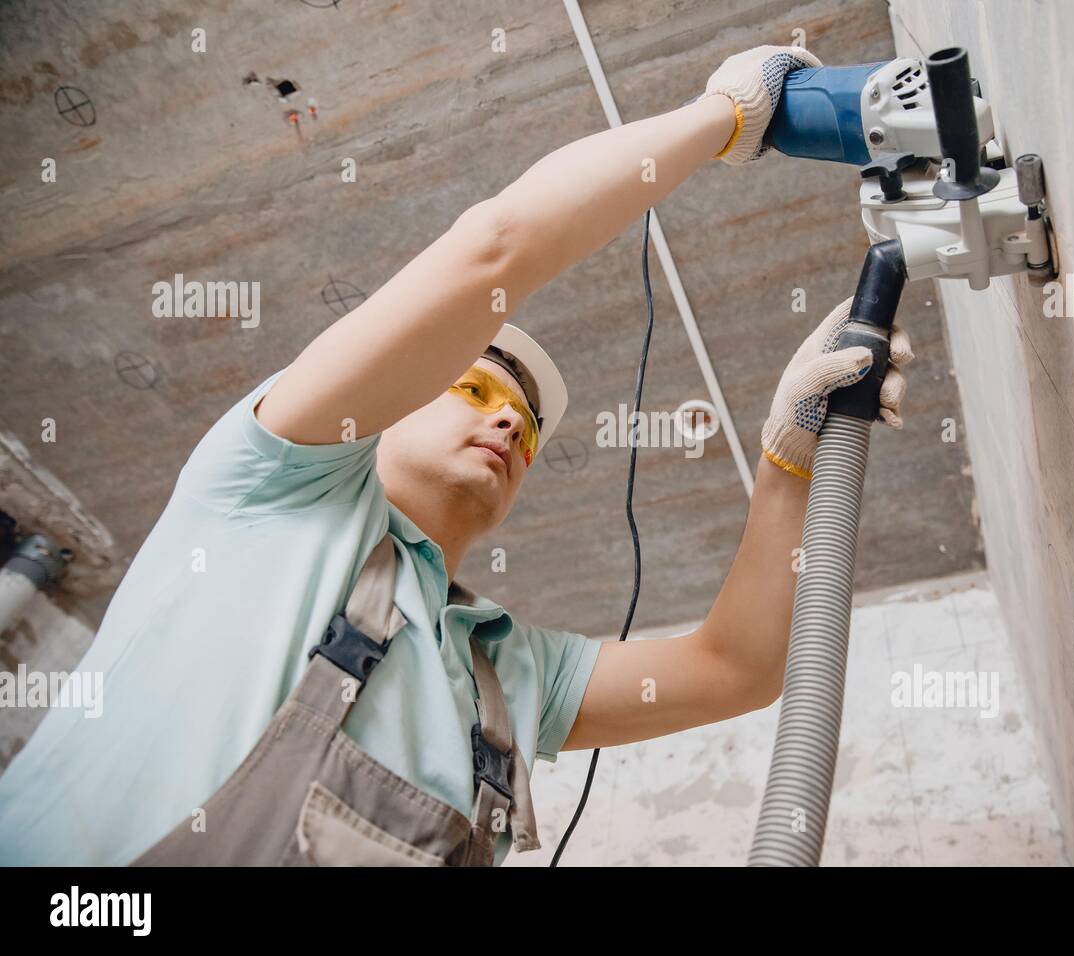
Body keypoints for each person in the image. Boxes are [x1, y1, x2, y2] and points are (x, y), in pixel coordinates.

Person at [0, 45, 911, 866]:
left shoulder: (503, 673)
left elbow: (736, 670)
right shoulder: (273, 487)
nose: (510, 425)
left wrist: (788, 458)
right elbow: (493, 250)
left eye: (526, 423)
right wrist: (726, 115)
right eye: (474, 391)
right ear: (385, 414)